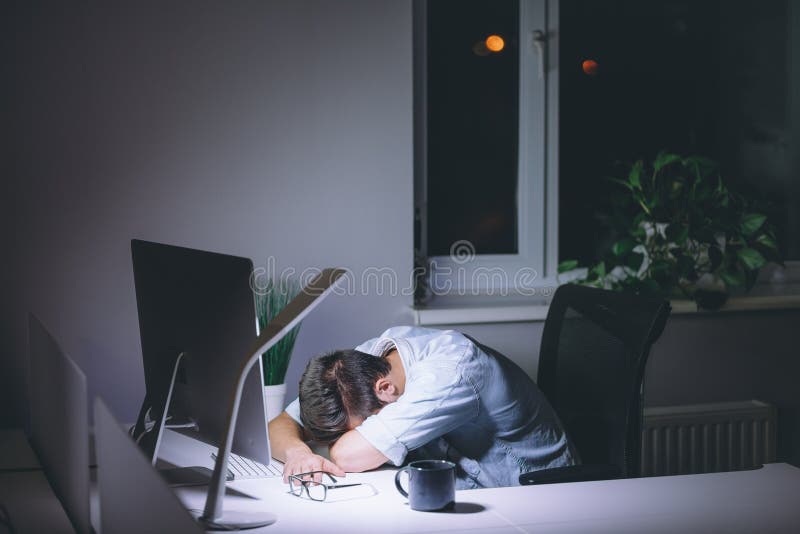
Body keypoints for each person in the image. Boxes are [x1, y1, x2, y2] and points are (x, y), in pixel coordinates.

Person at [268, 326, 576, 489]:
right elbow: (280, 423)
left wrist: (338, 446)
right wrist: (298, 454)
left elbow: (347, 455)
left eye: (360, 428)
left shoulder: (450, 375)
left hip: (529, 492)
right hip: (457, 480)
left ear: (385, 390)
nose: (350, 437)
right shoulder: (363, 365)